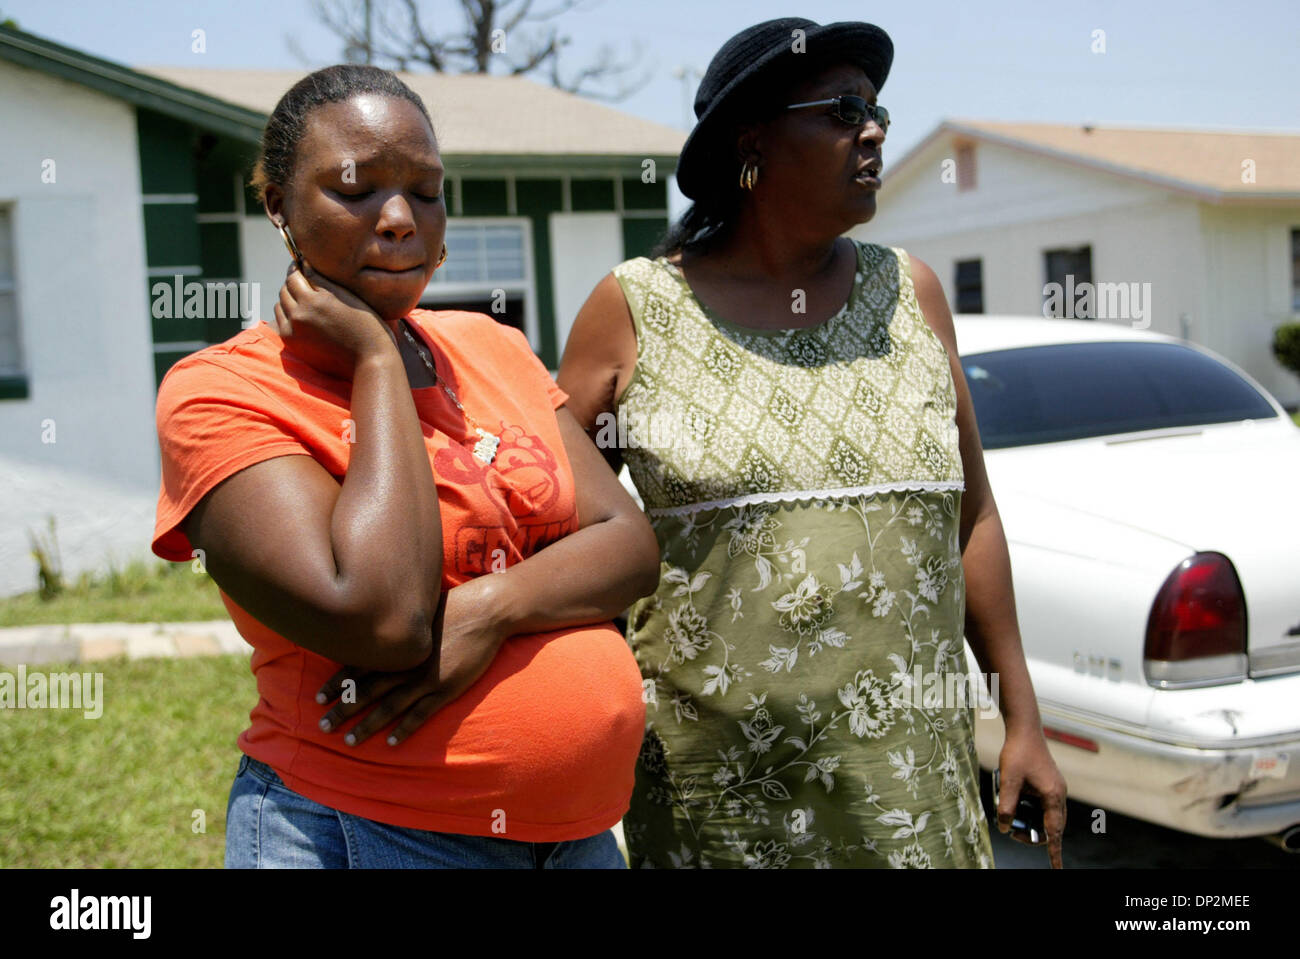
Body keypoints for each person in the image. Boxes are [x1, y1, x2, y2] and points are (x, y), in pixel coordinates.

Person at [558, 18, 1068, 868]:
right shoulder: (637, 310)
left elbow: (972, 515)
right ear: (750, 143)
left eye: (875, 110)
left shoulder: (912, 294)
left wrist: (1023, 717)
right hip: (718, 811)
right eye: (840, 109)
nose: (870, 129)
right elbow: (549, 513)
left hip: (912, 797)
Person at [150, 65, 659, 868]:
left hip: (574, 839)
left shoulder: (491, 347)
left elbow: (628, 543)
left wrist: (491, 608)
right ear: (279, 206)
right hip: (367, 831)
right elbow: (384, 619)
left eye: (425, 190)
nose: (397, 218)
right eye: (355, 190)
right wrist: (377, 364)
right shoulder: (220, 392)